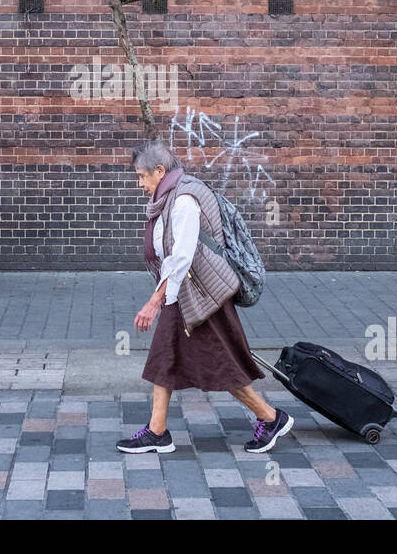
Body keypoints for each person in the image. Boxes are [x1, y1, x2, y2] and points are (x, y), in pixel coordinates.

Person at [117, 140, 293, 454]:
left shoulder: (184, 199)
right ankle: (157, 431)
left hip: (202, 296)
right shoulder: (171, 196)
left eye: (142, 176)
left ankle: (270, 417)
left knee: (221, 362)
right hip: (185, 292)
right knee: (164, 358)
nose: (140, 184)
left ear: (160, 171)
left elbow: (182, 256)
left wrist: (153, 301)